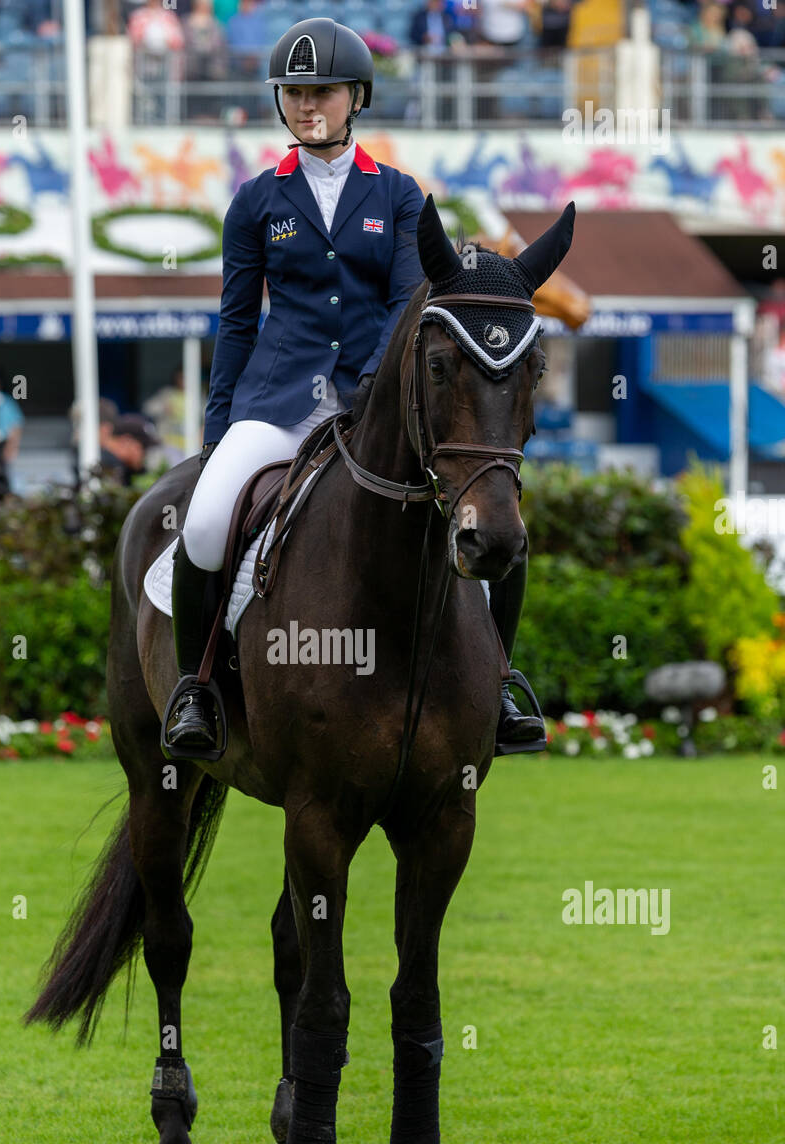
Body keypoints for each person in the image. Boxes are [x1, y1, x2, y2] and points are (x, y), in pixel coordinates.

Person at [165, 15, 545, 756]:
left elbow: (409, 305)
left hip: (376, 407)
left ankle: (498, 684)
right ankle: (196, 691)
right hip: (277, 401)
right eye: (294, 93)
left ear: (357, 97)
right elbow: (237, 324)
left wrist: (372, 392)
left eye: (324, 92)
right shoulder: (254, 202)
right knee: (207, 521)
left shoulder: (401, 197)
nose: (308, 107)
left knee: (500, 528)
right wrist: (217, 432)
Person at [98, 413, 160, 487]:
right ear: (127, 440)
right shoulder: (109, 463)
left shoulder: (126, 471)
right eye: (143, 447)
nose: (144, 454)